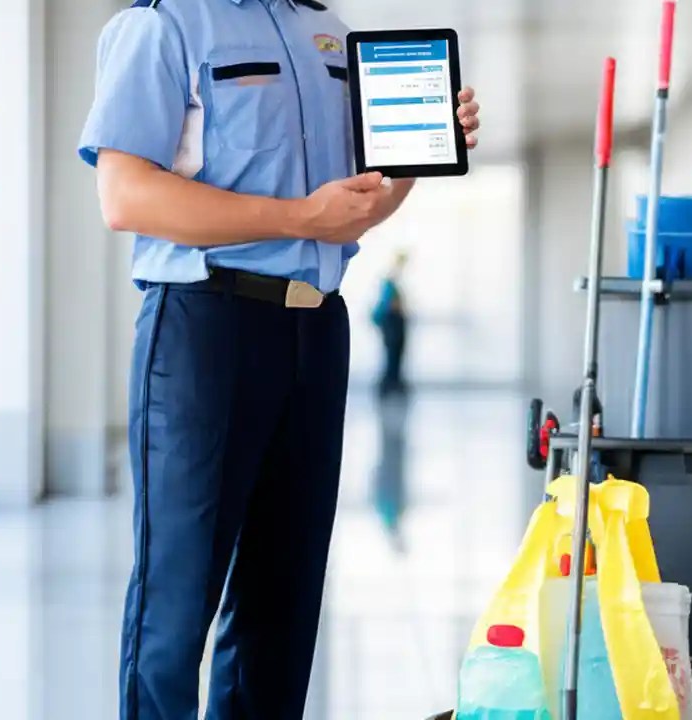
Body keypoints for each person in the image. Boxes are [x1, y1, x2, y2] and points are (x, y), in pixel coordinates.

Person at [76, 1, 481, 718]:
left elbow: (352, 207)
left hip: (316, 327)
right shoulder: (163, 25)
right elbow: (125, 195)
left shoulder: (327, 35)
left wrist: (417, 160)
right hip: (204, 326)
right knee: (179, 589)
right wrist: (297, 217)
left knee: (283, 596)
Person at [372, 250, 409, 396]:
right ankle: (389, 385)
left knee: (395, 355)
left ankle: (392, 384)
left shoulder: (392, 284)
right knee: (392, 355)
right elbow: (391, 304)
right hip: (391, 322)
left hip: (393, 322)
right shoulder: (389, 284)